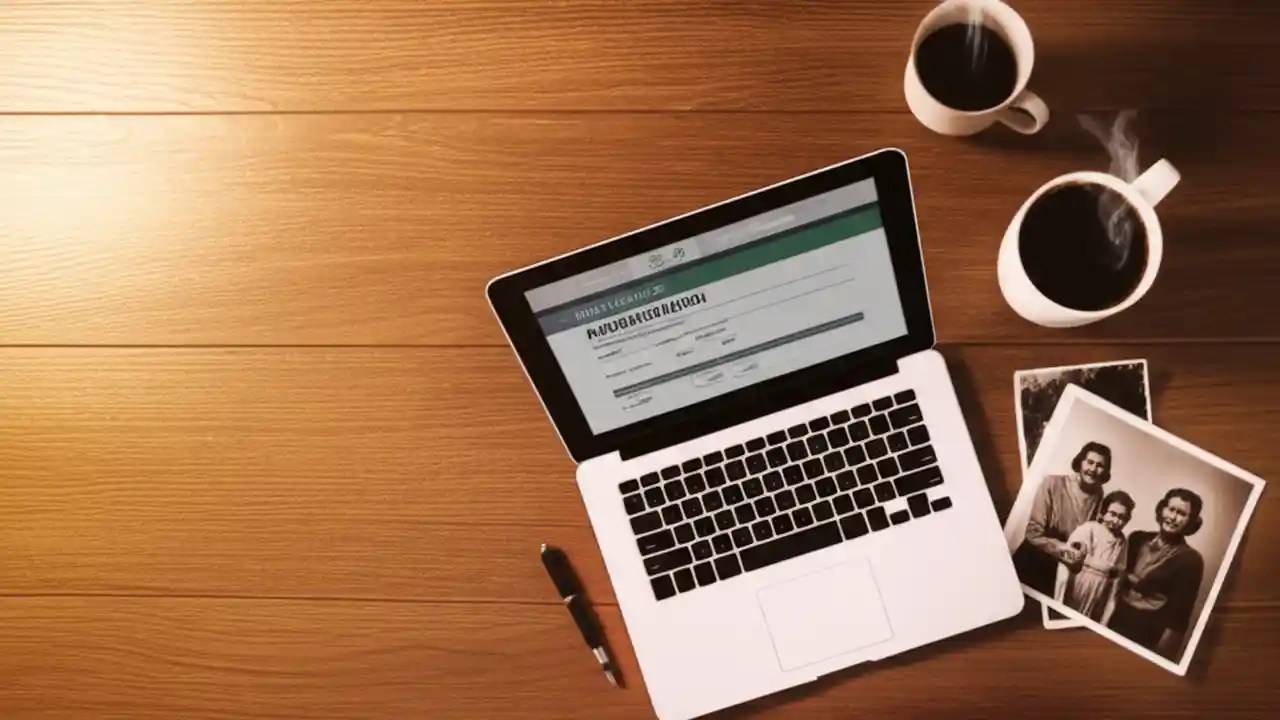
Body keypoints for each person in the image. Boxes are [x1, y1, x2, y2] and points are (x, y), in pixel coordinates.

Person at [1108, 488, 1206, 660]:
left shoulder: (1191, 560)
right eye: (1171, 509)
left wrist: (1160, 656)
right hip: (1114, 617)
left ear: (1191, 521)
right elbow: (1116, 580)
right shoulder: (1136, 538)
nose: (1173, 517)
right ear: (1162, 510)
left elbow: (1179, 618)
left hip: (1147, 633)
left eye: (1182, 514)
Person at [1012, 441, 1112, 596]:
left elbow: (1086, 534)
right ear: (1080, 462)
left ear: (1105, 471)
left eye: (1100, 465)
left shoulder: (1098, 494)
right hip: (1032, 561)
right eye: (1090, 462)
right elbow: (1032, 534)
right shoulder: (1052, 483)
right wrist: (1064, 548)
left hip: (1059, 571)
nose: (1093, 469)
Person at [1054, 490, 1135, 622]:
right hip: (1080, 580)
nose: (1116, 520)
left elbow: (1118, 571)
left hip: (1101, 588)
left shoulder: (1122, 541)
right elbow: (1069, 557)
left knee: (1089, 618)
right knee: (1069, 614)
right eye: (1112, 514)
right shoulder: (1090, 529)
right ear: (1103, 513)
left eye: (1122, 517)